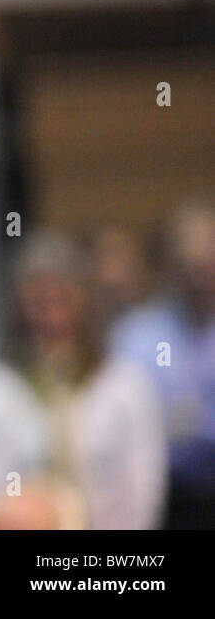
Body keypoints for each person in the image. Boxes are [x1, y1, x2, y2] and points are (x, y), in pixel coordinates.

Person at [0, 230, 166, 530]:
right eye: (38, 303)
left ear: (86, 304)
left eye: (63, 300)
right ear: (17, 310)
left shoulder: (126, 386)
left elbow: (142, 496)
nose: (53, 318)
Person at [112, 200, 215, 528]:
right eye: (187, 267)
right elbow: (123, 422)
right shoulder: (136, 334)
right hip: (167, 499)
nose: (196, 278)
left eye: (205, 266)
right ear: (168, 267)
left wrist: (188, 426)